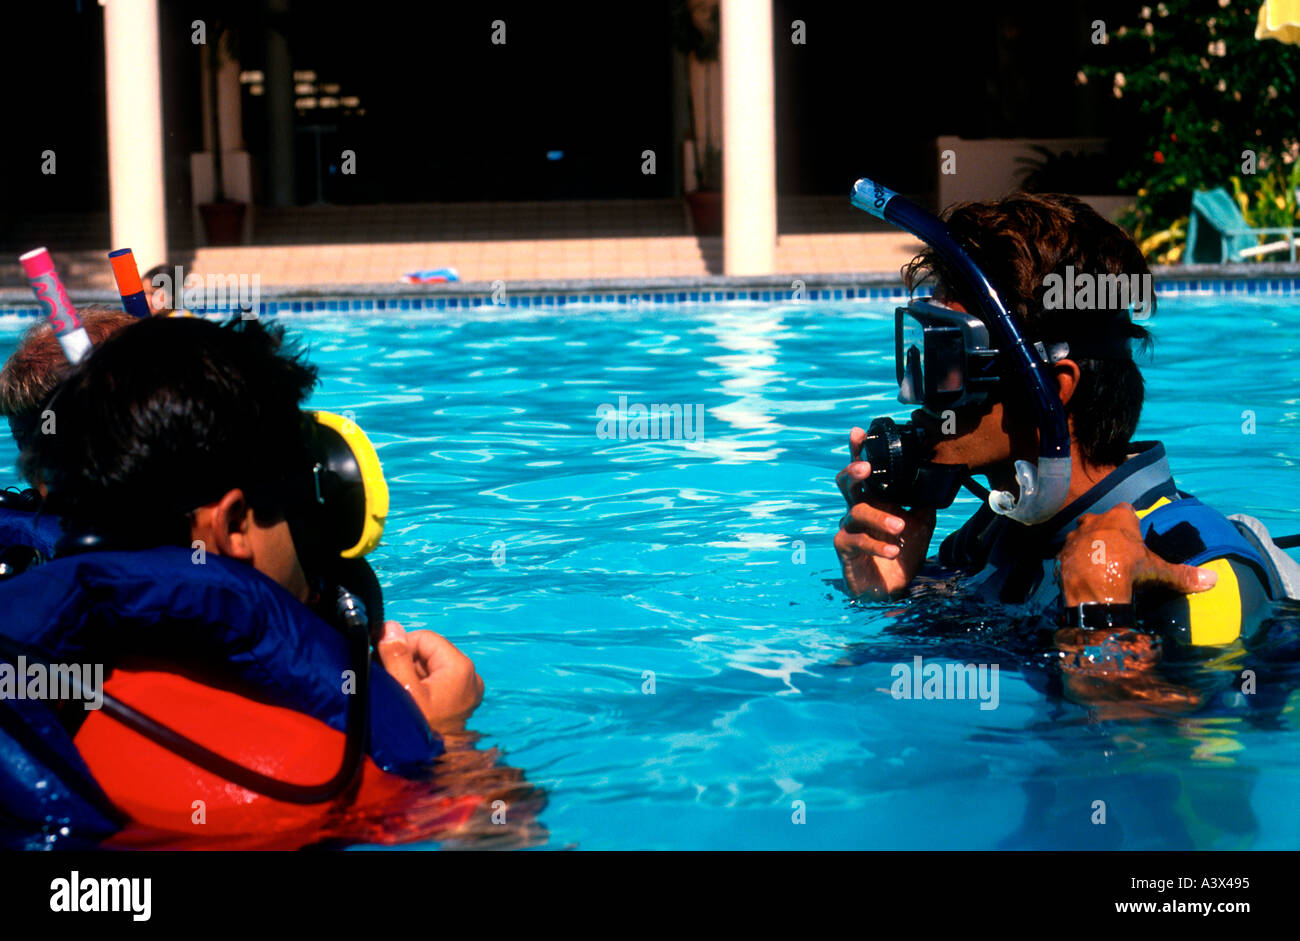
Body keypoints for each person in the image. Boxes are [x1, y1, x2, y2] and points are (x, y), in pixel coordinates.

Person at [834, 191, 1291, 685]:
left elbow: (1180, 757)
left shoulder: (1197, 575)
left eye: (950, 359)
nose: (920, 389)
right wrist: (887, 596)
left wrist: (1099, 620)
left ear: (1050, 388)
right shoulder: (997, 532)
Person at [16, 315, 482, 732]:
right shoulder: (305, 765)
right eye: (303, 508)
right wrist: (442, 737)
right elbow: (508, 832)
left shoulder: (49, 676)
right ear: (235, 525)